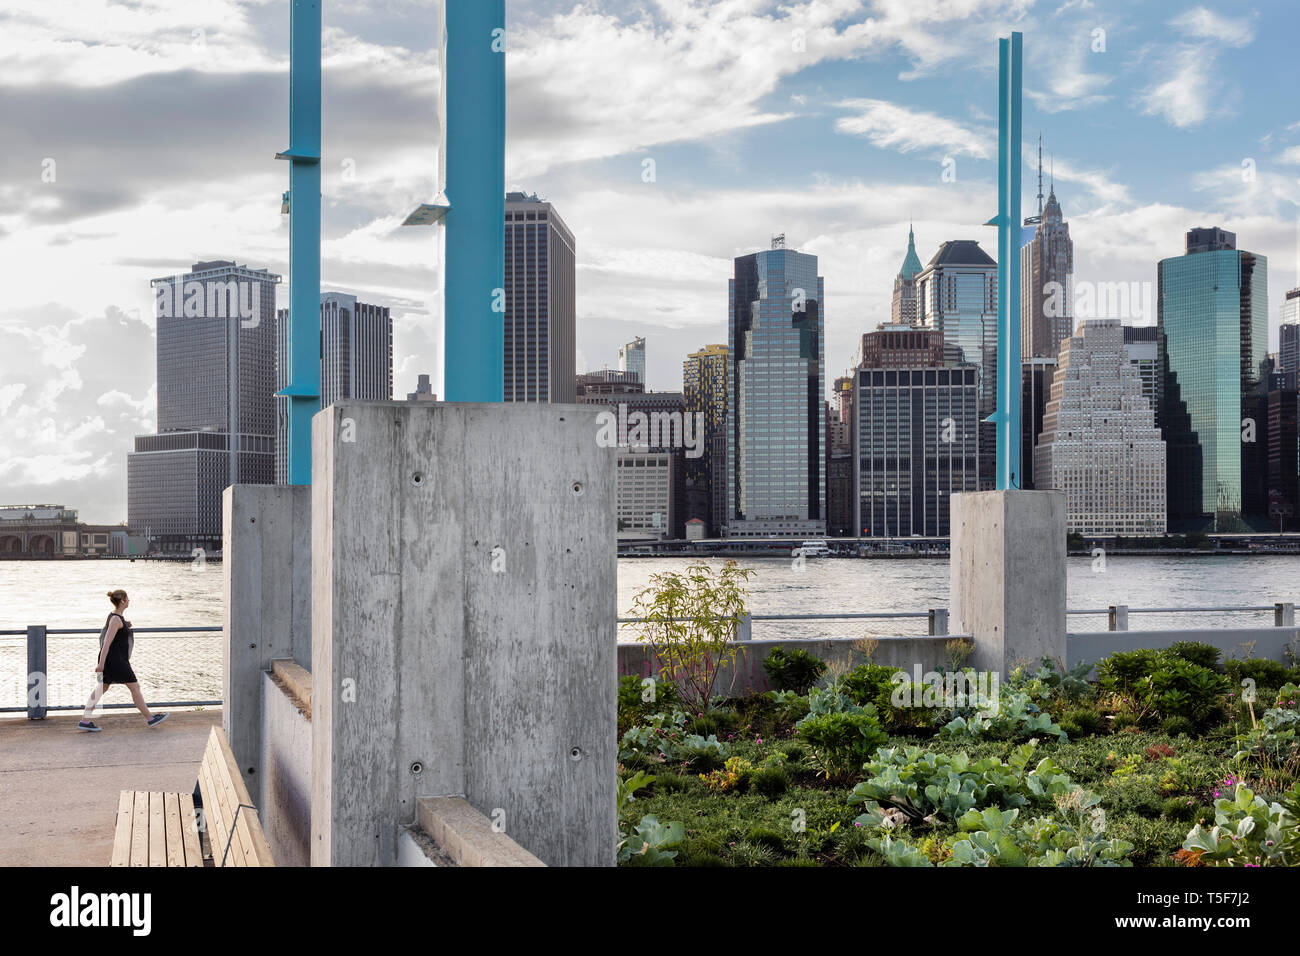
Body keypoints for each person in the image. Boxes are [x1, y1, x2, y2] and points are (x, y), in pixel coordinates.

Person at [78, 589, 167, 732]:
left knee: (102, 688)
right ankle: (150, 718)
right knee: (134, 687)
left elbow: (118, 629)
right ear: (122, 601)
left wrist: (126, 625)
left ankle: (85, 720)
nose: (129, 601)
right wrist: (100, 664)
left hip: (115, 660)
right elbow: (106, 643)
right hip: (116, 661)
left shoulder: (117, 618)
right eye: (127, 599)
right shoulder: (115, 619)